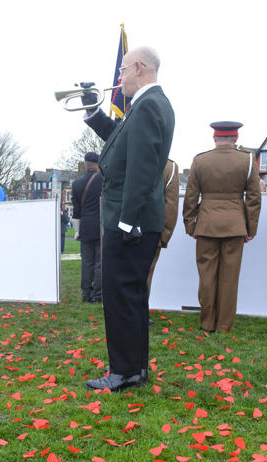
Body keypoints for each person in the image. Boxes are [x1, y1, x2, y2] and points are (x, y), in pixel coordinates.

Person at [81, 46, 175, 392]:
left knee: (120, 296)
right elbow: (121, 146)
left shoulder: (149, 105)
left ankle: (123, 372)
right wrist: (92, 110)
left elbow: (142, 168)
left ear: (139, 67)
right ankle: (132, 368)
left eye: (122, 71)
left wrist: (127, 220)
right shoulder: (149, 104)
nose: (118, 79)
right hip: (132, 216)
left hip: (129, 218)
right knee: (130, 296)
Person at [183, 122, 261, 333]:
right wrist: (251, 228)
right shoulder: (247, 160)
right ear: (235, 139)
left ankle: (207, 322)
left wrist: (190, 224)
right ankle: (224, 324)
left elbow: (190, 196)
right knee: (229, 277)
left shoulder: (200, 160)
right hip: (235, 226)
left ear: (215, 138)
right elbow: (254, 198)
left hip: (206, 225)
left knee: (207, 276)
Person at [71, 152, 103, 302]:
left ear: (85, 165)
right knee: (99, 262)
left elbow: (76, 211)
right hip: (101, 225)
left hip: (85, 226)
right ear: (98, 164)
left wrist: (77, 230)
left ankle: (85, 294)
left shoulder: (77, 183)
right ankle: (97, 295)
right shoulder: (104, 180)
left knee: (86, 262)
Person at [145, 158, 180, 294]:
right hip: (152, 231)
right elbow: (170, 206)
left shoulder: (124, 158)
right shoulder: (169, 167)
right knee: (146, 277)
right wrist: (164, 236)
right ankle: (140, 314)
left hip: (122, 229)